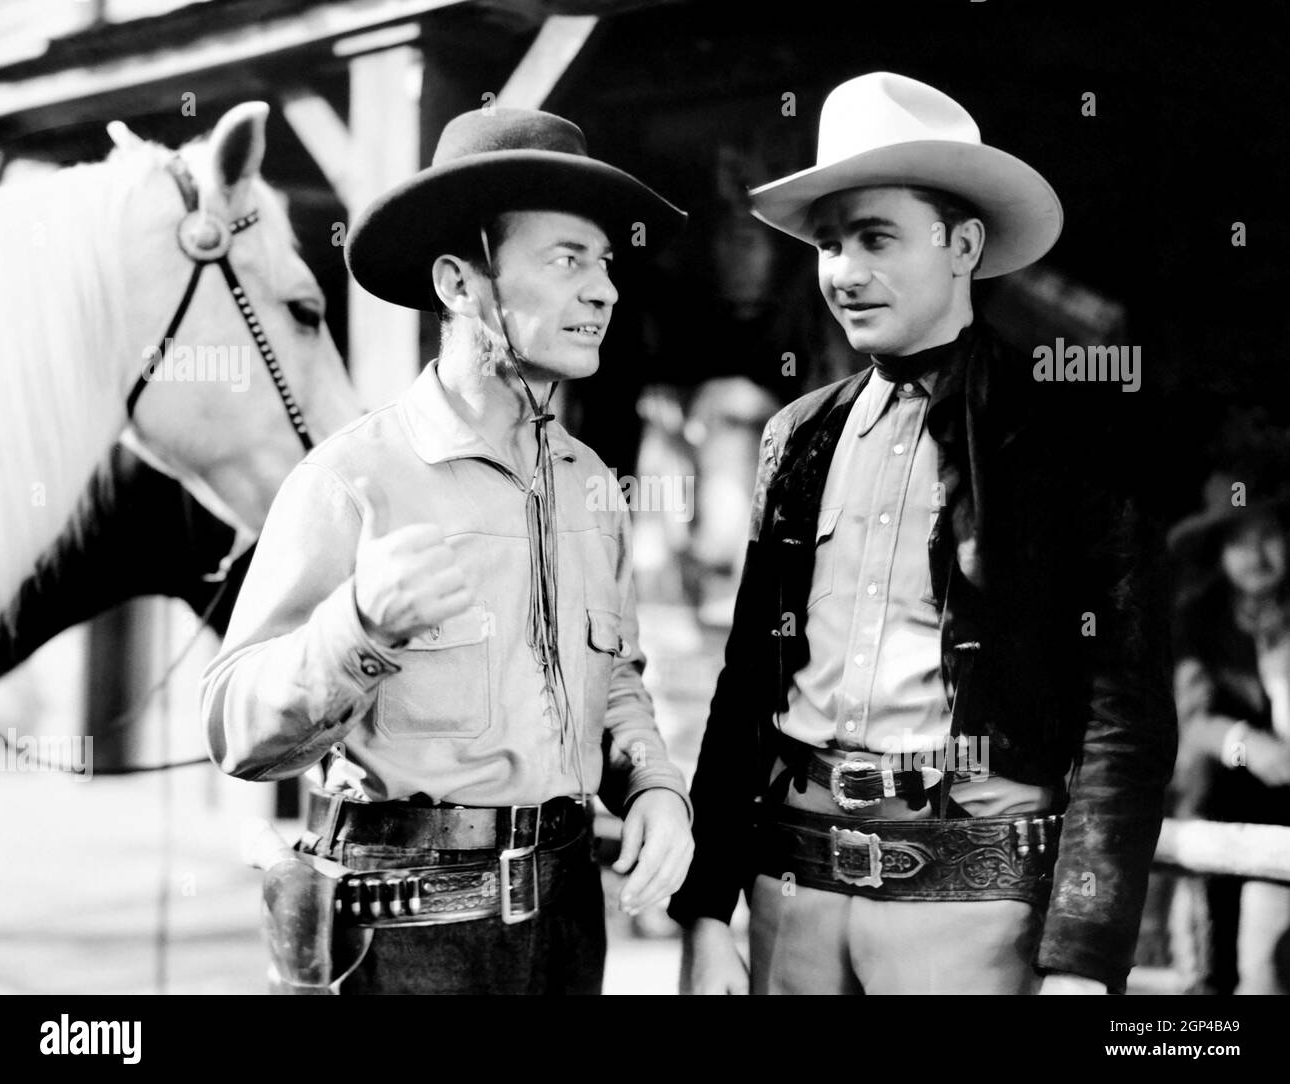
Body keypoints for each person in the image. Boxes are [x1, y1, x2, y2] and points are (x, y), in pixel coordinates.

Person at [668, 72, 1177, 995]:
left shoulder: (1071, 437)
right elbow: (748, 681)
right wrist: (705, 910)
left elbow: (1124, 715)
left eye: (875, 238)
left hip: (975, 910)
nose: (844, 273)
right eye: (828, 245)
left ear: (963, 244)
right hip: (793, 895)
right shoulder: (796, 437)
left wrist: (1081, 960)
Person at [201, 107, 693, 994]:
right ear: (461, 283)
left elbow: (616, 679)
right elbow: (234, 727)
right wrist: (357, 626)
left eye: (604, 264)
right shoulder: (351, 481)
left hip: (568, 925)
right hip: (409, 937)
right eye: (566, 260)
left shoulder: (590, 486)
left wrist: (655, 787)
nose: (603, 291)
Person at [1171, 455, 1290, 994]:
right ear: (1219, 551)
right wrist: (1245, 746)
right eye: (1239, 540)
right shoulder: (1200, 621)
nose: (1256, 555)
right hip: (1226, 801)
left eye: (1269, 535)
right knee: (1219, 965)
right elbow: (1191, 724)